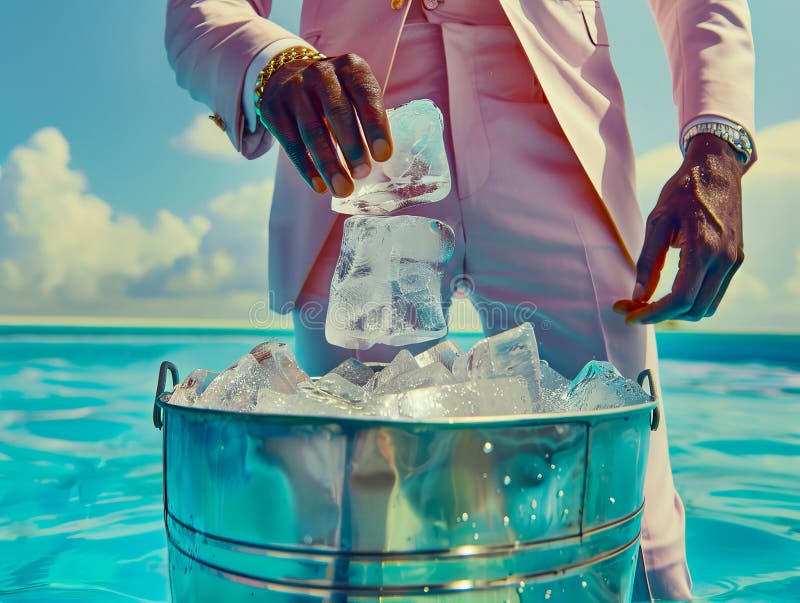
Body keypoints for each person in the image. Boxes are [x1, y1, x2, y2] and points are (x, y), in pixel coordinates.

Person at [165, 0, 755, 599]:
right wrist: (270, 62)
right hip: (352, 140)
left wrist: (719, 136)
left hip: (557, 122)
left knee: (625, 510)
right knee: (353, 531)